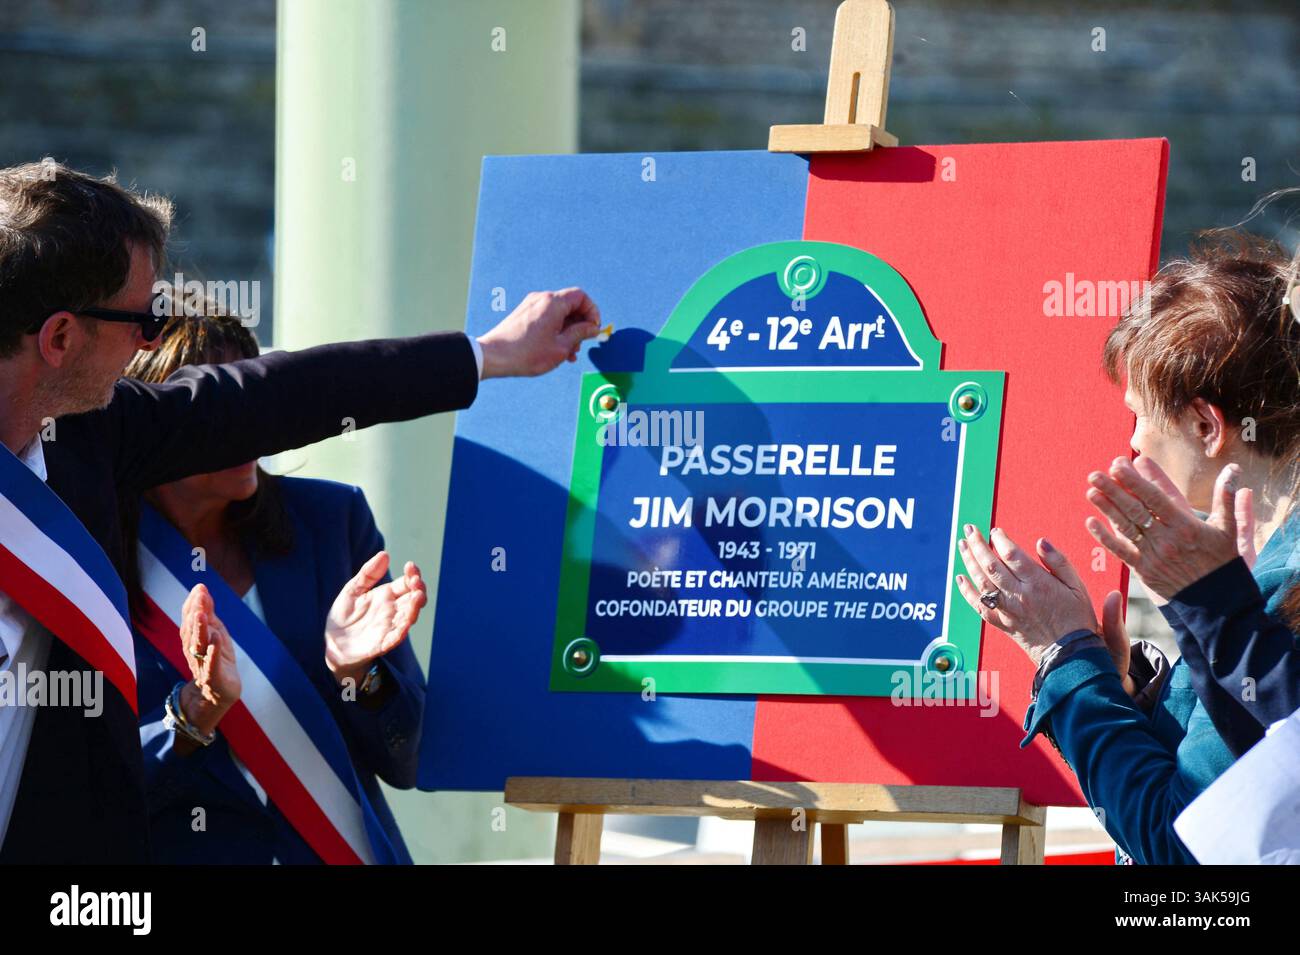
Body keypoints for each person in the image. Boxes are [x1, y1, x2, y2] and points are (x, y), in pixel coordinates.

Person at [0, 160, 601, 863]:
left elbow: (279, 393)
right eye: (143, 318)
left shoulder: (85, 439)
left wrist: (489, 354)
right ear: (61, 338)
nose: (150, 343)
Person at [952, 230, 1299, 864]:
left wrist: (1065, 656)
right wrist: (1130, 694)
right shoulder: (1267, 558)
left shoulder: (1281, 584)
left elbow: (1183, 849)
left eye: (1137, 413)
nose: (1132, 441)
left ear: (1205, 425)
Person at [117, 306, 428, 863]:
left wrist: (360, 675)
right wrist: (190, 716)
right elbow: (87, 795)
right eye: (227, 411)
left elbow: (411, 758)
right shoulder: (92, 556)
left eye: (260, 407)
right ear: (155, 430)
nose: (255, 429)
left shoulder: (331, 521)